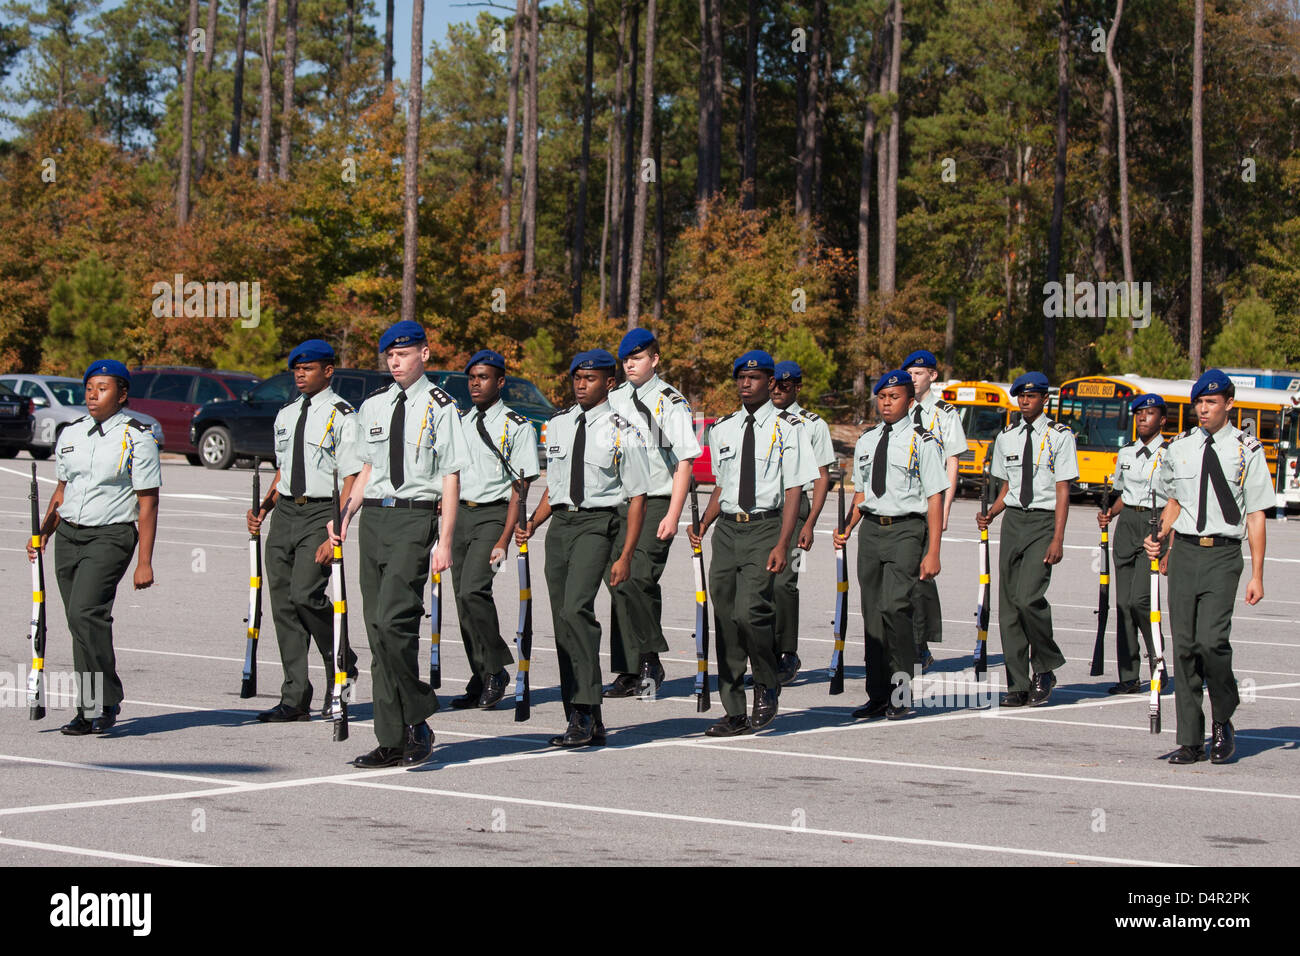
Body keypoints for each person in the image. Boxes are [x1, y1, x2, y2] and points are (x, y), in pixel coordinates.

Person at [330, 321, 470, 768]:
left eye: (404, 353)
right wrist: (345, 514)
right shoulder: (372, 406)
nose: (395, 361)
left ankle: (419, 712)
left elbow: (450, 476)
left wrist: (445, 539)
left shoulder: (442, 406)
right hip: (374, 517)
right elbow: (367, 469)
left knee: (393, 624)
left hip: (414, 518)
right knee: (376, 632)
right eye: (390, 354)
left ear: (424, 355)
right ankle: (393, 738)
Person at [515, 350, 650, 747]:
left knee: (576, 610)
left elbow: (638, 497)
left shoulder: (625, 428)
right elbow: (555, 487)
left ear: (609, 383)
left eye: (590, 378)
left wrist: (625, 555)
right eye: (576, 376)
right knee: (562, 621)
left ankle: (586, 709)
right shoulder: (557, 424)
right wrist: (533, 523)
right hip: (561, 526)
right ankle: (581, 716)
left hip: (598, 523)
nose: (580, 383)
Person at [687, 350, 817, 736]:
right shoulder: (723, 429)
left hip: (765, 527)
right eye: (741, 378)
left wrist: (783, 543)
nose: (746, 384)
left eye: (755, 378)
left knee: (750, 612)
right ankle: (734, 708)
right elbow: (722, 485)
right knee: (725, 619)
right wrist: (705, 523)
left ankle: (765, 682)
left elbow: (794, 490)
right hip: (727, 530)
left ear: (771, 383)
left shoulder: (789, 427)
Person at [1144, 370, 1271, 765]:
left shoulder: (1248, 450)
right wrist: (1159, 538)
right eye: (1199, 402)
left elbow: (1256, 516)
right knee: (1183, 647)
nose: (1203, 409)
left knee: (1211, 642)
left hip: (1222, 555)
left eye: (1211, 402)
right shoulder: (1179, 447)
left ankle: (1223, 718)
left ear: (1229, 405)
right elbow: (1173, 503)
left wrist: (1257, 574)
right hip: (1184, 554)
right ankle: (1190, 739)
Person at [27, 360, 159, 735]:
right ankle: (87, 709)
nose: (92, 394)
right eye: (88, 387)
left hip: (111, 536)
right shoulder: (72, 433)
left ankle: (107, 697)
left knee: (87, 613)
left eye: (102, 388)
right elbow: (61, 490)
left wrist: (144, 561)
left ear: (121, 394)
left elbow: (148, 501)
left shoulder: (138, 436)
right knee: (77, 622)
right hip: (68, 535)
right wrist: (44, 532)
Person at [247, 340, 362, 723]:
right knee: (282, 604)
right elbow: (284, 469)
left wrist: (339, 527)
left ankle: (340, 662)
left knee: (305, 594)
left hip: (320, 513)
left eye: (308, 368)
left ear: (328, 371)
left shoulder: (343, 415)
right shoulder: (286, 414)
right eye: (296, 368)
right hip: (285, 512)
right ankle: (294, 696)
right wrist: (264, 508)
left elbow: (351, 476)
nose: (299, 373)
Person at [833, 369, 947, 719]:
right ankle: (878, 694)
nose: (886, 403)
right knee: (872, 614)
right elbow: (863, 493)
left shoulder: (922, 441)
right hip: (871, 530)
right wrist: (849, 526)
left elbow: (934, 497)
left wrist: (933, 551)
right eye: (882, 397)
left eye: (894, 397)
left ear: (909, 401)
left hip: (906, 531)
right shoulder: (867, 441)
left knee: (896, 609)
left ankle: (901, 692)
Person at [603, 328, 701, 698]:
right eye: (626, 358)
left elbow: (684, 461)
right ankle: (630, 668)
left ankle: (649, 660)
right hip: (620, 502)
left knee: (637, 577)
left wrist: (673, 515)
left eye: (638, 357)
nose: (630, 363)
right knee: (616, 580)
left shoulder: (667, 401)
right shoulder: (613, 399)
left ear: (655, 360)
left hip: (656, 502)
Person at [975, 371, 1078, 707]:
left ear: (1044, 399)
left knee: (1027, 597)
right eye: (1021, 396)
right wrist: (992, 512)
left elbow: (1063, 490)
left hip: (1044, 522)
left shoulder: (1060, 436)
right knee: (1008, 607)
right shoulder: (1007, 437)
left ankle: (1045, 665)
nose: (1025, 401)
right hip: (1015, 521)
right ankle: (1017, 683)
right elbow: (1008, 487)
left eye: (1031, 396)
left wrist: (1058, 538)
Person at [449, 349, 539, 710]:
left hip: (493, 517)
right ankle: (481, 672)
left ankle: (497, 669)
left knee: (474, 590)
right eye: (471, 377)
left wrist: (505, 538)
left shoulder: (517, 426)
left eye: (483, 377)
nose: (475, 383)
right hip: (460, 517)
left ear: (500, 382)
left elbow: (521, 486)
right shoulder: (460, 422)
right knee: (460, 599)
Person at [901, 349, 969, 672]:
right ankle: (911, 644)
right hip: (901, 504)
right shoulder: (899, 408)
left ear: (933, 376)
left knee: (921, 578)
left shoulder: (944, 414)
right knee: (903, 579)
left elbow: (952, 463)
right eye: (909, 373)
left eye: (918, 373)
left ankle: (919, 645)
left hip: (930, 504)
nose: (913, 378)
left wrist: (945, 510)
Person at [1097, 393, 1169, 695]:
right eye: (1139, 413)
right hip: (1127, 525)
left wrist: (1169, 540)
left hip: (1155, 525)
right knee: (1123, 605)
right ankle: (1128, 675)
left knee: (1141, 601)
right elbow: (1125, 494)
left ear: (1162, 420)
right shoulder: (1126, 453)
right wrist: (1109, 514)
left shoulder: (1171, 452)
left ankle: (1158, 662)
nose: (1142, 418)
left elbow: (1177, 500)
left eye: (1150, 413)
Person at [768, 360, 834, 684]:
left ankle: (787, 653)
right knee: (762, 587)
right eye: (774, 384)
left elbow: (822, 476)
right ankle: (766, 655)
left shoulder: (813, 425)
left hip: (796, 515)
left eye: (785, 384)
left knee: (785, 584)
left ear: (798, 386)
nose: (778, 389)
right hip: (762, 512)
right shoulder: (759, 419)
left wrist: (810, 523)